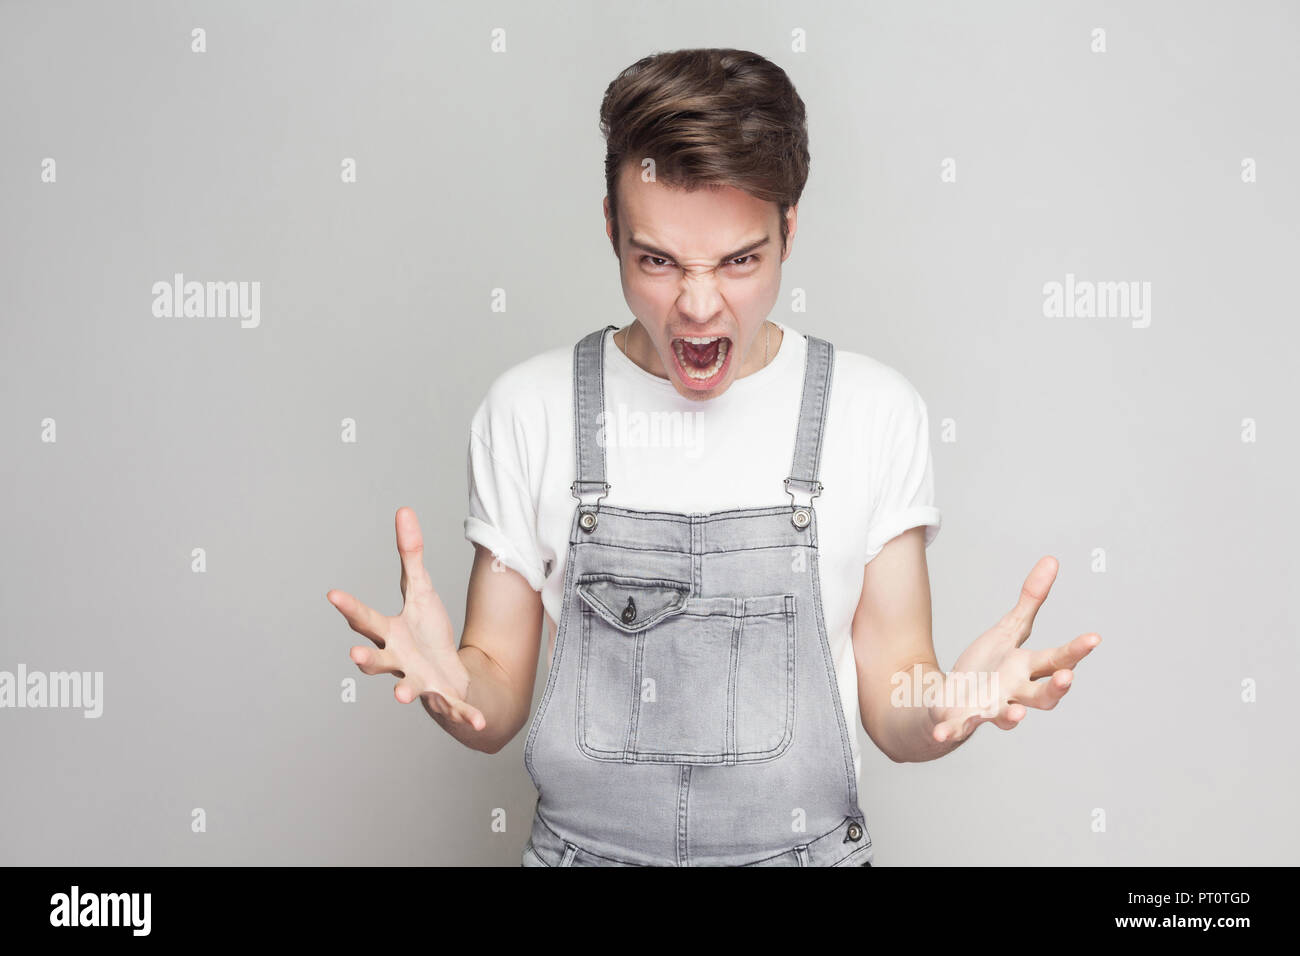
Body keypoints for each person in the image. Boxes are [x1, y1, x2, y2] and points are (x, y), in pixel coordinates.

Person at [326, 47, 1100, 867]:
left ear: (790, 229)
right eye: (657, 260)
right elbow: (493, 696)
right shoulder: (529, 410)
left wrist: (953, 699)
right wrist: (449, 689)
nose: (698, 306)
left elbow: (895, 708)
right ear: (610, 228)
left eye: (739, 260)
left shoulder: (873, 412)